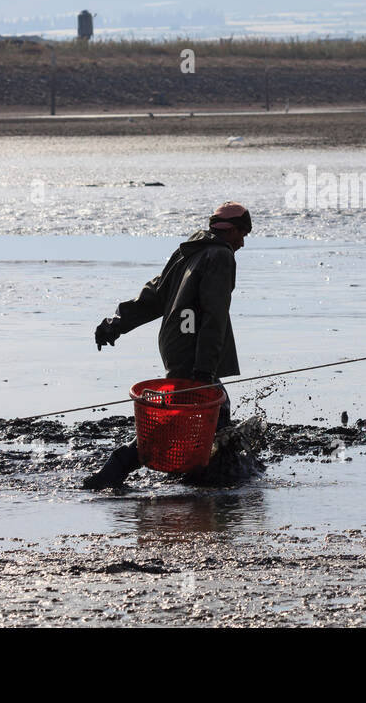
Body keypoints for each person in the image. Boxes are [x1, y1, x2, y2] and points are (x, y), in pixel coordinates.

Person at [82, 202, 251, 490]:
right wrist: (203, 370)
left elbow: (153, 296)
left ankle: (203, 471)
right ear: (231, 230)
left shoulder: (190, 250)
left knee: (210, 410)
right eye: (242, 234)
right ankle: (122, 464)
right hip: (193, 347)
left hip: (176, 342)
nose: (243, 243)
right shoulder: (220, 256)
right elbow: (214, 317)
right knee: (208, 410)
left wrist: (115, 324)